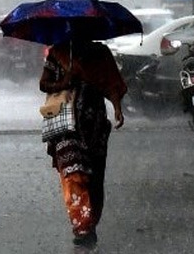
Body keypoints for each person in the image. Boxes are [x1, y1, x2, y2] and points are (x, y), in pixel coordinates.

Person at [39, 35, 127, 249]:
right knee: (73, 174)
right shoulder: (57, 52)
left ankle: (90, 222)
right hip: (65, 127)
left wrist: (117, 107)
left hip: (94, 125)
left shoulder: (100, 54)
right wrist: (63, 82)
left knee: (94, 178)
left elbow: (112, 83)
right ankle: (82, 227)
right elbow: (44, 83)